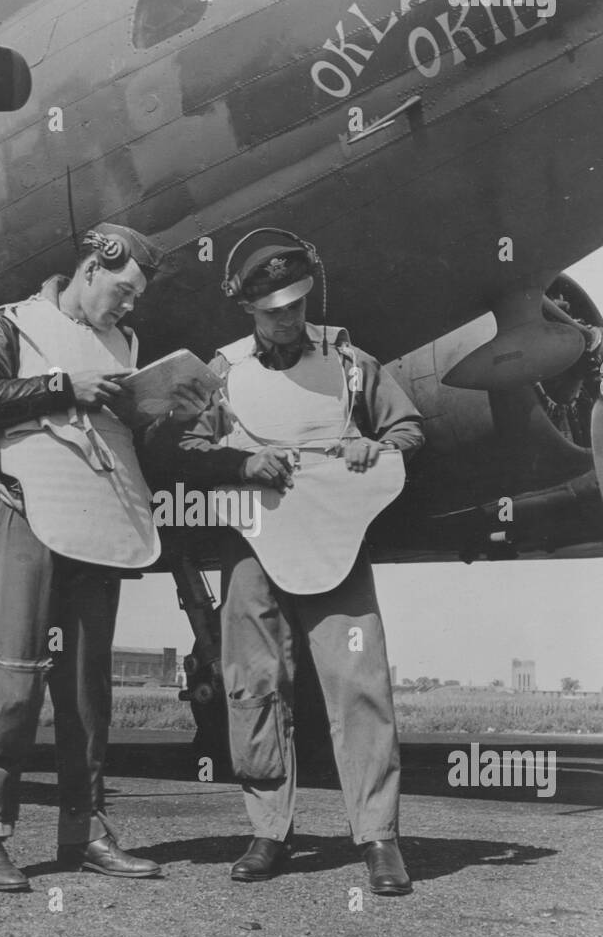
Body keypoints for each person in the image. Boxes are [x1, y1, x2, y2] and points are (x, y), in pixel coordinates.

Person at [159, 229, 424, 893]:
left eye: (297, 304)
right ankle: (268, 829)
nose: (289, 318)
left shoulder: (351, 363)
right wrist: (239, 461)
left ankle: (379, 838)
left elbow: (408, 429)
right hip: (251, 545)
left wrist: (373, 445)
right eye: (274, 308)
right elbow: (183, 450)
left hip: (336, 541)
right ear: (248, 308)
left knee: (359, 683)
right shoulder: (220, 374)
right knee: (252, 684)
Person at [0, 223, 208, 890]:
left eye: (136, 299)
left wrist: (172, 413)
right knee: (12, 675)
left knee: (87, 689)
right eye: (121, 291)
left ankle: (85, 831)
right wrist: (64, 386)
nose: (127, 308)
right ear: (92, 268)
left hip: (97, 525)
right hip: (24, 512)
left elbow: (127, 441)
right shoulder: (12, 323)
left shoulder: (125, 344)